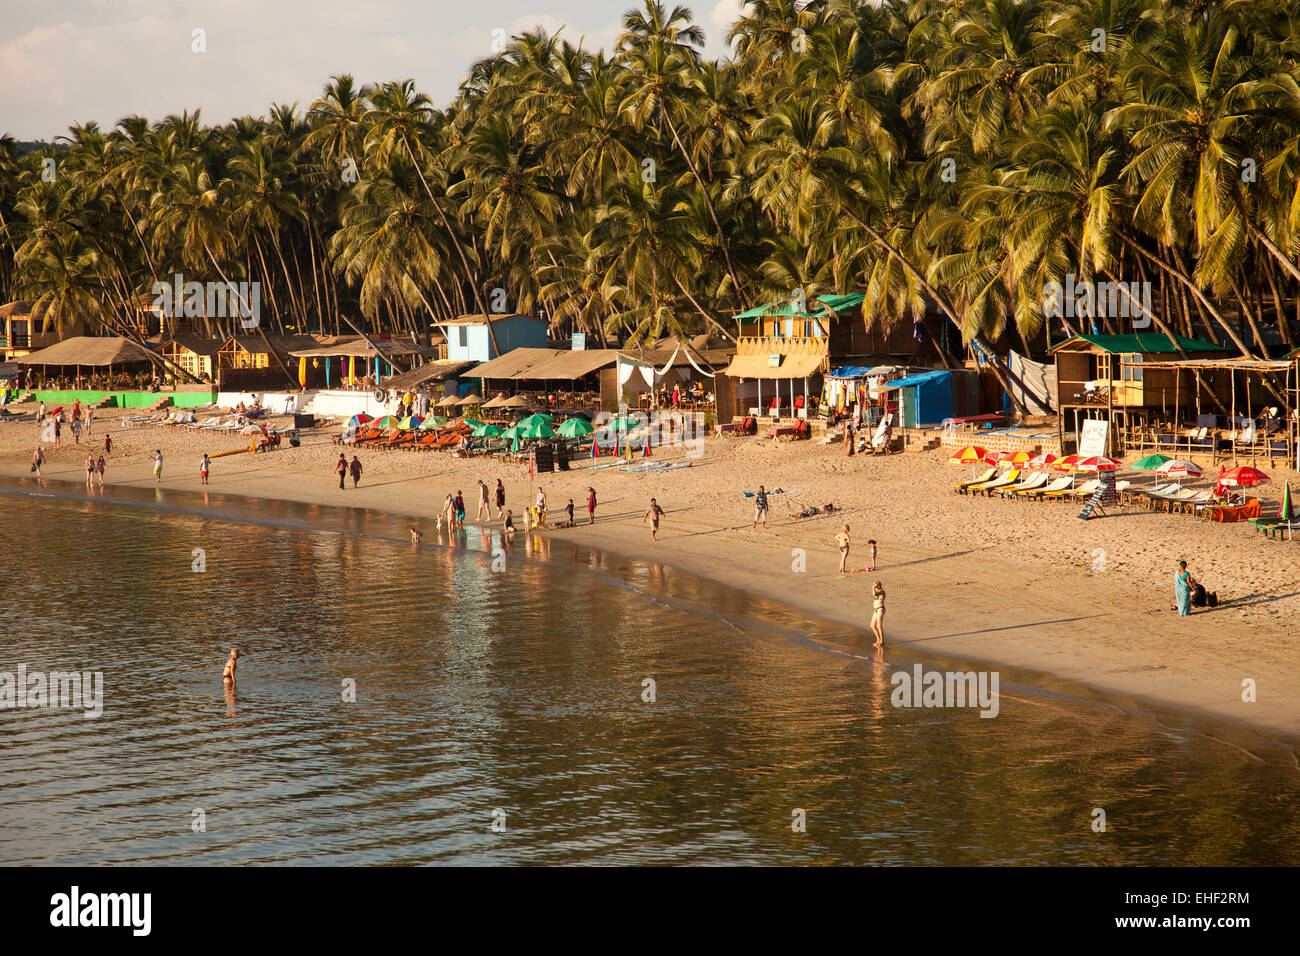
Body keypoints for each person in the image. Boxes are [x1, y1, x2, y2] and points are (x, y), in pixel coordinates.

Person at [871, 581, 886, 646]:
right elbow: (875, 596)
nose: (876, 587)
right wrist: (874, 589)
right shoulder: (876, 591)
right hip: (876, 610)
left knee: (879, 625)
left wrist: (873, 588)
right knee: (872, 625)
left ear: (880, 585)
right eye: (875, 585)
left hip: (880, 609)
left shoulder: (882, 591)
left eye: (877, 586)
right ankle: (878, 639)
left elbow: (874, 594)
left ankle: (882, 641)